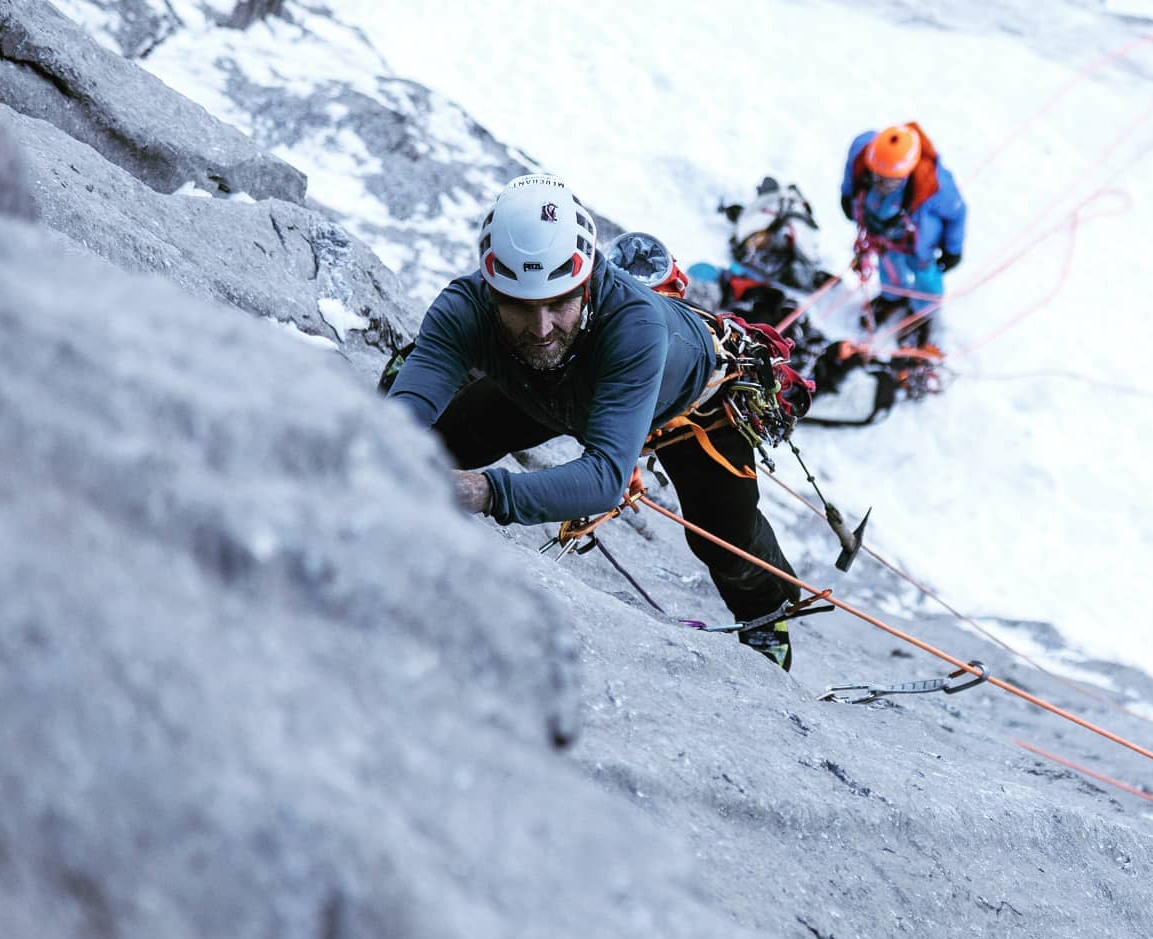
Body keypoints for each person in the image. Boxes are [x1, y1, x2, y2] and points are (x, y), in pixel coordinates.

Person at [386, 173, 803, 669]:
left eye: (559, 303)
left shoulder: (635, 325)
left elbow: (604, 478)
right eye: (520, 307)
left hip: (693, 410)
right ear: (492, 290)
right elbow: (403, 412)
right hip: (551, 393)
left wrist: (486, 492)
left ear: (586, 283)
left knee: (726, 539)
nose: (542, 329)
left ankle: (765, 617)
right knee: (444, 444)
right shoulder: (464, 308)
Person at [839, 122, 966, 346]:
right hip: (882, 237)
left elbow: (957, 212)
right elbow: (852, 171)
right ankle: (892, 298)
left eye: (888, 180)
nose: (879, 183)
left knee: (926, 278)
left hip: (920, 244)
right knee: (890, 268)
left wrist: (952, 249)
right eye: (876, 176)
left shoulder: (934, 184)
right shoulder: (862, 150)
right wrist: (847, 195)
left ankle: (921, 314)